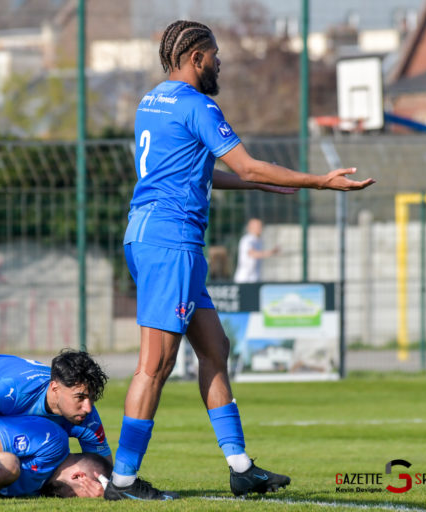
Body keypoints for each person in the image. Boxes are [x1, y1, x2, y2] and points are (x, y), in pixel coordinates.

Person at [105, 20, 375, 501]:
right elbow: (245, 161)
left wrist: (254, 182)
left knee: (214, 348)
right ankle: (122, 482)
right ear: (195, 58)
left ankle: (240, 467)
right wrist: (321, 181)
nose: (219, 63)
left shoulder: (153, 100)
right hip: (171, 243)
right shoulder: (199, 105)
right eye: (214, 55)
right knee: (156, 364)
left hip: (147, 235)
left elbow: (195, 170)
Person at [233, 218, 278, 283]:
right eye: (258, 226)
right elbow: (252, 254)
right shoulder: (247, 240)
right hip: (245, 279)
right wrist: (270, 252)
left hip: (256, 278)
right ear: (250, 227)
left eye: (261, 226)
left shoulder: (260, 241)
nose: (260, 228)